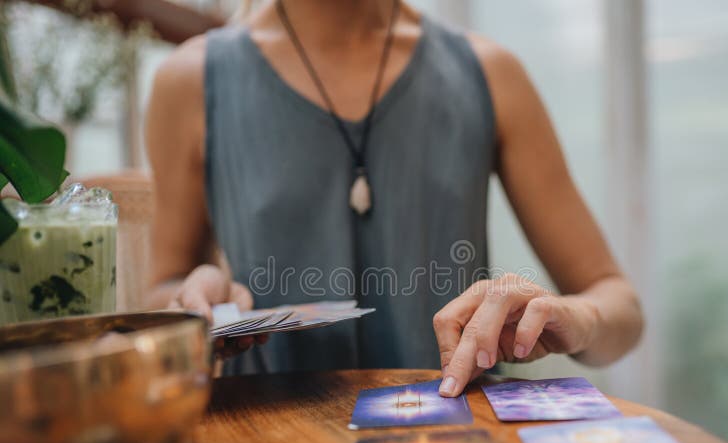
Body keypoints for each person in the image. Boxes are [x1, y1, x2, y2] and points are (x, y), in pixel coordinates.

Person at [145, 0, 643, 397]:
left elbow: (619, 307)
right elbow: (158, 293)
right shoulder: (189, 82)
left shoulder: (491, 75)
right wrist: (190, 296)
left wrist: (579, 317)